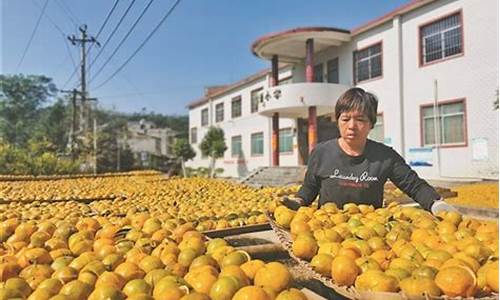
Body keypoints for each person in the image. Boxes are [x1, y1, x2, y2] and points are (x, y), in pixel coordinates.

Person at [283, 87, 454, 214]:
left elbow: (414, 186)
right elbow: (309, 188)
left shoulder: (385, 157)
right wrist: (298, 201)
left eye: (360, 119)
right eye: (345, 119)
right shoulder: (321, 153)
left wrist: (436, 204)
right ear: (337, 121)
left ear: (371, 124)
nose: (351, 126)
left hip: (370, 237)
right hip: (328, 234)